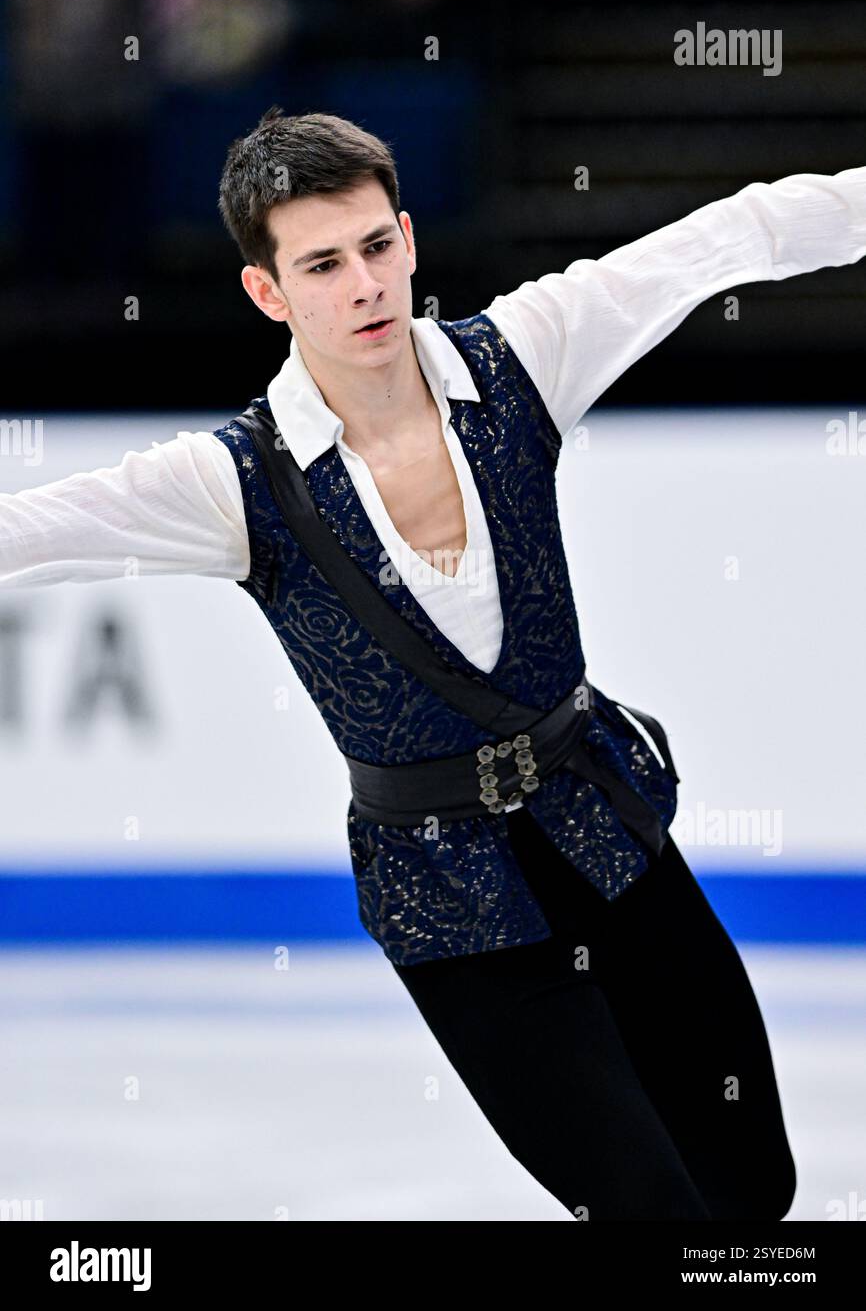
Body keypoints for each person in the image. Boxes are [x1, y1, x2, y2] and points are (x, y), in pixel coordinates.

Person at [4, 106, 865, 1219]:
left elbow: (734, 235)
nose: (362, 285)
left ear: (407, 237)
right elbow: (28, 529)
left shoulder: (525, 355)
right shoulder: (231, 482)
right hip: (443, 894)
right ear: (269, 292)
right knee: (647, 1205)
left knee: (753, 1185)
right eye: (321, 264)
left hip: (599, 820)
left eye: (374, 247)